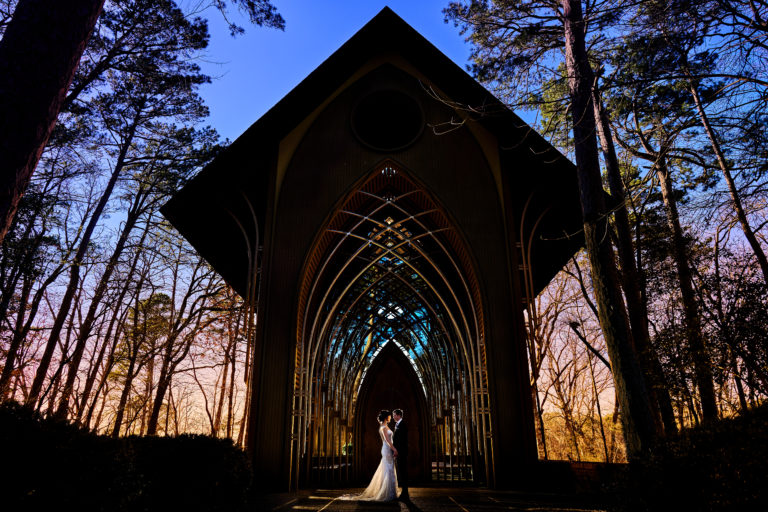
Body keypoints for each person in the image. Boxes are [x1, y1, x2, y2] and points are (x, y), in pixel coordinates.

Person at [340, 409, 398, 501]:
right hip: (387, 449)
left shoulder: (385, 426)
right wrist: (394, 449)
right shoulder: (383, 427)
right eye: (389, 416)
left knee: (388, 469)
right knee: (388, 469)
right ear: (386, 417)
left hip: (388, 449)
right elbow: (387, 441)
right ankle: (387, 493)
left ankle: (390, 492)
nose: (390, 417)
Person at [392, 408, 409, 501]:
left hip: (402, 452)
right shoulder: (398, 424)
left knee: (403, 472)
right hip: (399, 452)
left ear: (399, 415)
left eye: (394, 415)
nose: (393, 416)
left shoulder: (402, 425)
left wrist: (397, 450)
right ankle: (404, 492)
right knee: (401, 472)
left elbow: (402, 441)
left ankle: (405, 493)